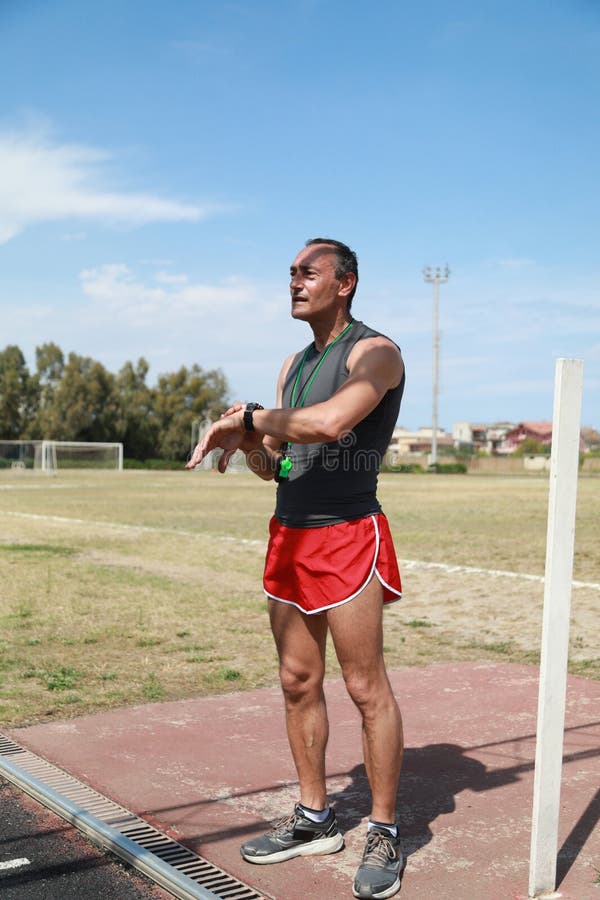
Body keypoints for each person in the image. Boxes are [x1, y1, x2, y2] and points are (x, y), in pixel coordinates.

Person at [187, 238, 406, 900]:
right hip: (291, 536)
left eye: (307, 273)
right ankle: (315, 817)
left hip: (347, 534)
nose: (294, 282)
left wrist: (257, 420)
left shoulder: (376, 352)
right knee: (296, 681)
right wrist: (248, 441)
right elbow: (280, 459)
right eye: (289, 273)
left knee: (365, 687)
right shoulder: (292, 363)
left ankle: (386, 830)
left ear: (346, 283)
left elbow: (330, 422)